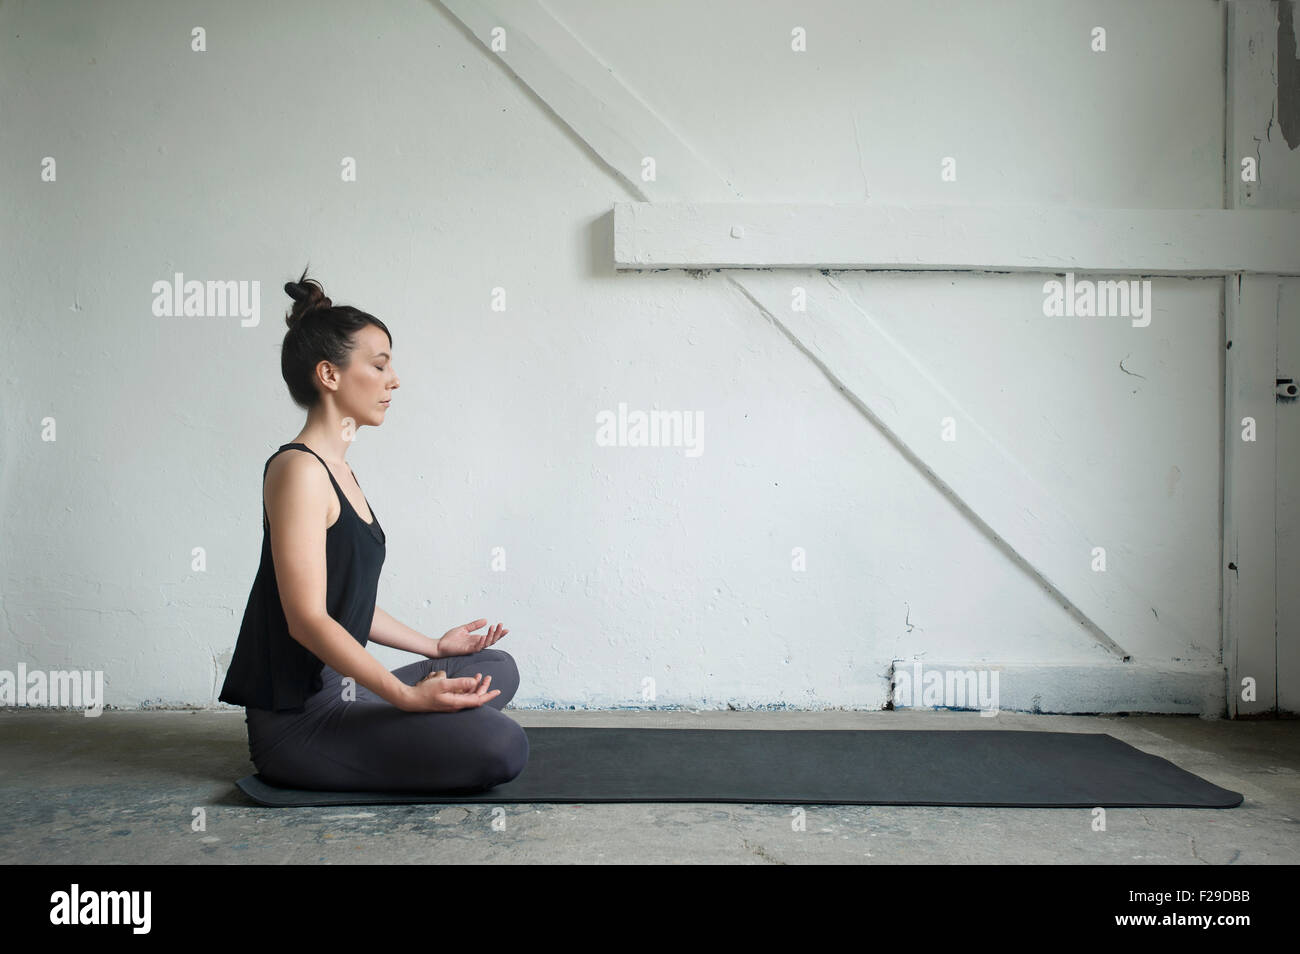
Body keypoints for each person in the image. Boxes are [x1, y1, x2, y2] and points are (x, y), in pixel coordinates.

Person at [219, 267, 528, 793]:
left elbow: (345, 603)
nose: (394, 380)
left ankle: (391, 707)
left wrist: (434, 645)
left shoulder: (337, 469)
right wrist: (405, 697)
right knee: (503, 747)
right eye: (379, 365)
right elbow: (308, 620)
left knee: (494, 664)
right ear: (330, 375)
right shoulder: (298, 471)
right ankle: (397, 716)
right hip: (301, 724)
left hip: (348, 693)